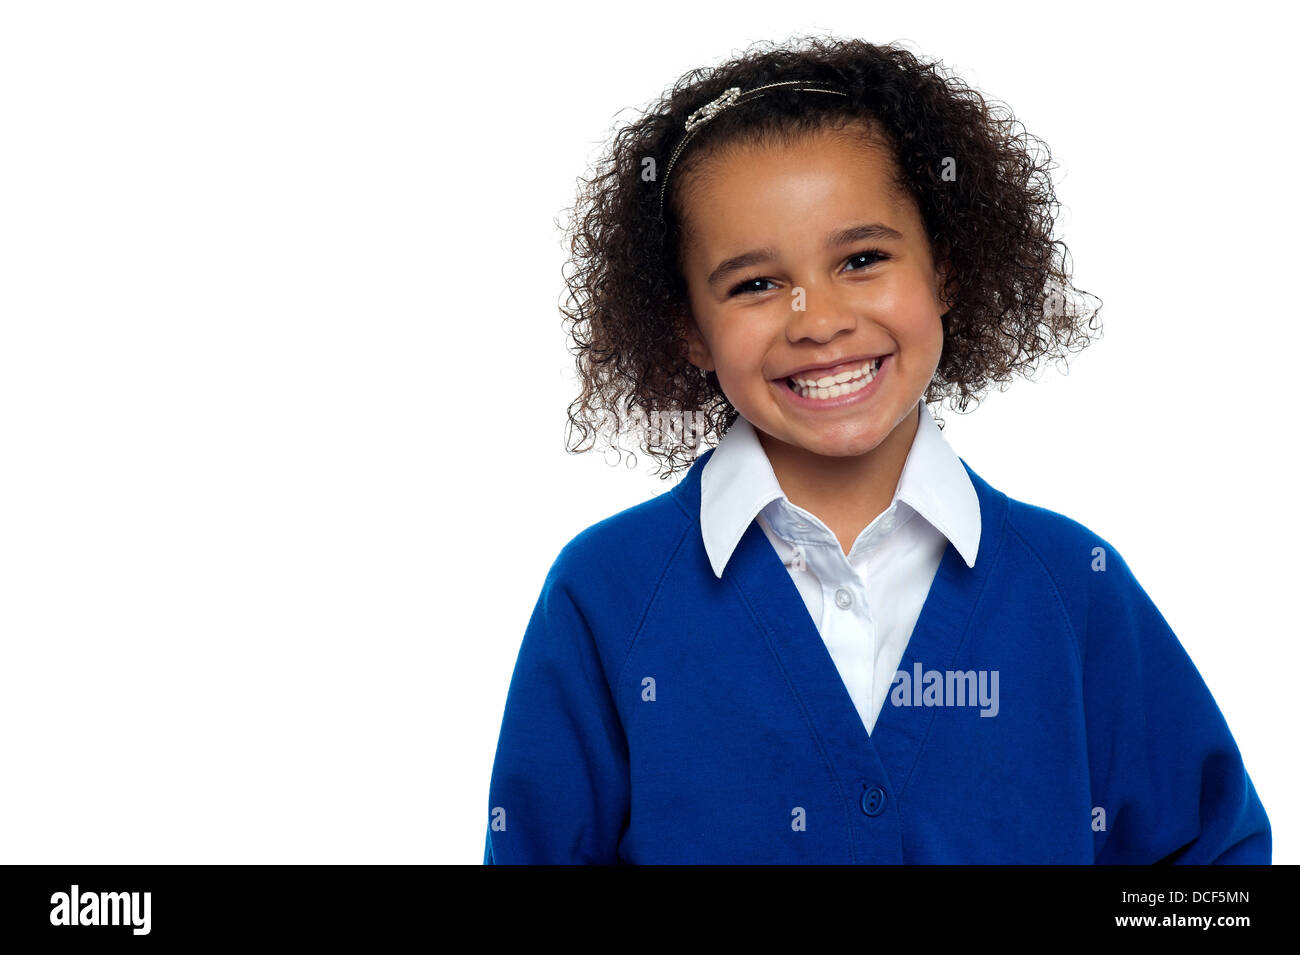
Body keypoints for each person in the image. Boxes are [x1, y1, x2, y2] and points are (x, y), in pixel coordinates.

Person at [483, 36, 1270, 863]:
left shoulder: (1075, 587)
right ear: (687, 327)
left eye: (862, 259)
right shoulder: (606, 595)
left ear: (947, 271)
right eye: (754, 284)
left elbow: (1211, 868)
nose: (817, 319)